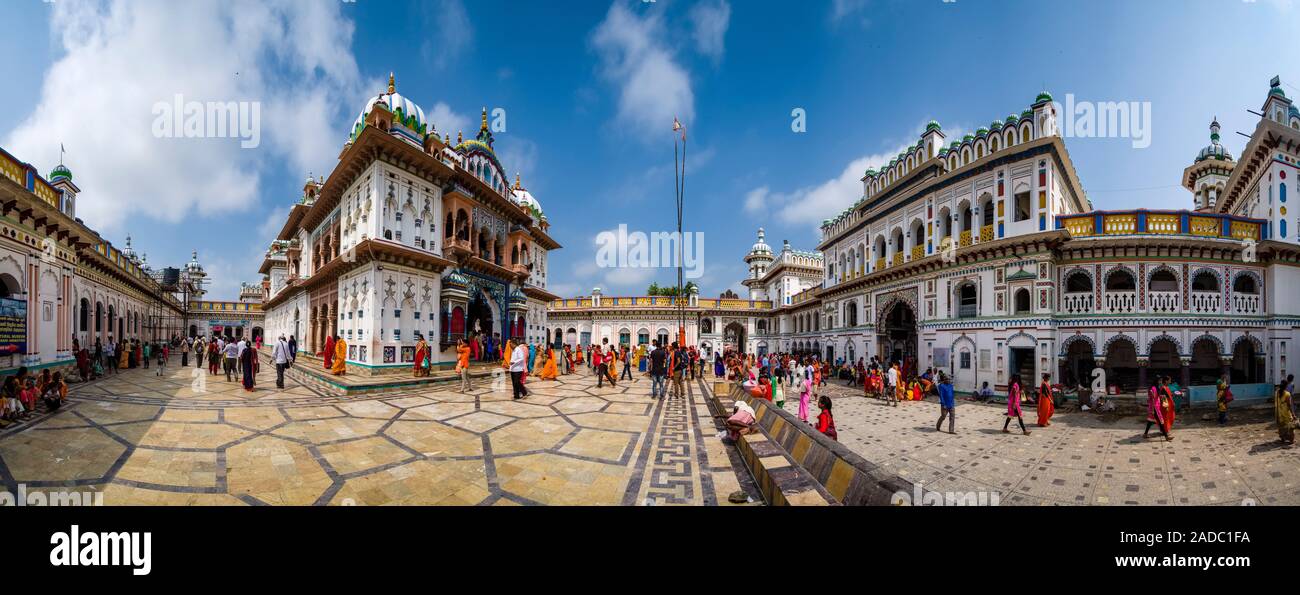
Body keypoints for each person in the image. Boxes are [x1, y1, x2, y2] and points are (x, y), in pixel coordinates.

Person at [1275, 379, 1295, 446]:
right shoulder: (1287, 394)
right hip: (1286, 413)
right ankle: (1291, 440)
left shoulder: (1277, 392)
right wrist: (1293, 414)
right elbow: (1289, 405)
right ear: (1286, 386)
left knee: (1281, 426)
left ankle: (1283, 439)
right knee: (1290, 427)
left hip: (1279, 413)